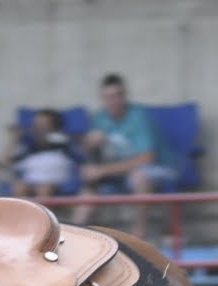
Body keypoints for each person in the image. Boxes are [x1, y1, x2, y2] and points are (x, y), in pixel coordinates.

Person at [74, 73, 181, 238]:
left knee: (140, 176)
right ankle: (73, 236)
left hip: (159, 167)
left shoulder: (139, 116)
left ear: (125, 96)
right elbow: (91, 154)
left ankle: (138, 233)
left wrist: (102, 170)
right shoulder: (100, 117)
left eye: (117, 95)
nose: (113, 101)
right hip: (121, 171)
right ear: (102, 99)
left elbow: (147, 158)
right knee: (88, 187)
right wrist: (89, 145)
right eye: (108, 97)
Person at [4, 108, 80, 199]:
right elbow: (5, 163)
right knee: (19, 187)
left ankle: (42, 213)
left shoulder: (65, 143)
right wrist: (13, 140)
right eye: (36, 123)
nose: (39, 126)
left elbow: (79, 158)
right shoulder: (28, 148)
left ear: (54, 125)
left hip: (53, 181)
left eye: (43, 123)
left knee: (44, 189)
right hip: (30, 180)